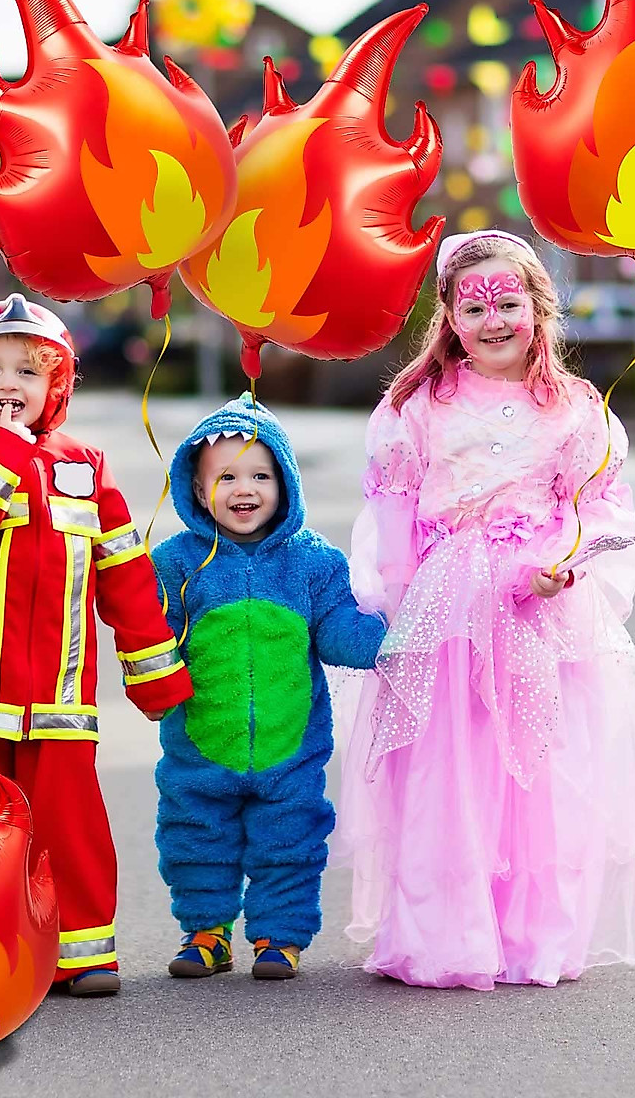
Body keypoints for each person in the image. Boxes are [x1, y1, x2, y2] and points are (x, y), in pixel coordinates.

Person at [335, 230, 635, 989]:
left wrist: (564, 567)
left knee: (539, 775)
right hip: (447, 618)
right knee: (452, 772)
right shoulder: (416, 408)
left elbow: (600, 507)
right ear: (448, 318)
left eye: (509, 303)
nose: (494, 321)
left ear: (538, 309)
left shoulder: (577, 411)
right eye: (474, 309)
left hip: (541, 616)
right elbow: (392, 512)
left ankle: (533, 934)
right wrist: (400, 613)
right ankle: (443, 933)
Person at [0, 293, 191, 997]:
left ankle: (81, 953)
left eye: (30, 372)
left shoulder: (88, 469)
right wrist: (2, 453)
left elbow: (123, 577)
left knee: (72, 829)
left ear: (56, 386)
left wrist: (154, 674)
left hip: (60, 702)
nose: (10, 385)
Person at [150, 393, 385, 980]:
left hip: (291, 748)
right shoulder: (178, 563)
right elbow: (152, 634)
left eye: (260, 474)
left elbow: (336, 632)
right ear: (199, 490)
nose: (244, 488)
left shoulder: (312, 564)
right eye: (225, 476)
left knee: (291, 838)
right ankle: (205, 931)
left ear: (285, 484)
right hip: (199, 744)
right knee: (195, 837)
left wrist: (384, 632)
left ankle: (280, 936)